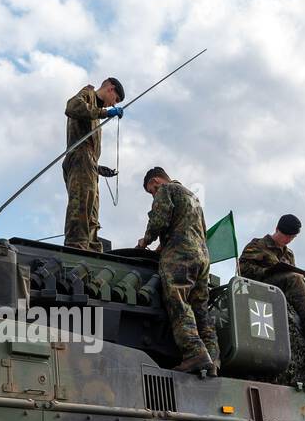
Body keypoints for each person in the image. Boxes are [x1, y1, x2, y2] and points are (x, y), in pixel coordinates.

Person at [137, 167, 220, 374]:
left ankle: (194, 354)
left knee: (178, 302)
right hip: (202, 257)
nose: (153, 194)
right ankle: (213, 360)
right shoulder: (192, 197)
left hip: (180, 256)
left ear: (156, 181)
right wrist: (161, 247)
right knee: (201, 310)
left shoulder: (165, 190)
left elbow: (159, 221)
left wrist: (145, 241)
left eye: (151, 190)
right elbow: (190, 228)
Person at [238, 214, 305, 344]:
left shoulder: (289, 254)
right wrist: (268, 271)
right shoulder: (258, 245)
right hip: (262, 286)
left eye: (292, 237)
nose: (288, 240)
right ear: (277, 229)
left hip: (285, 289)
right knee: (295, 278)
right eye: (286, 235)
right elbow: (243, 270)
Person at [63, 77, 124, 252]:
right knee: (82, 204)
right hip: (80, 158)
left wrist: (98, 168)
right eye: (116, 99)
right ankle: (77, 245)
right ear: (110, 88)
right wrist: (105, 114)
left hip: (90, 164)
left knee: (92, 211)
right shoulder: (88, 94)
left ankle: (91, 246)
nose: (113, 104)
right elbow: (72, 107)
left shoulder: (96, 111)